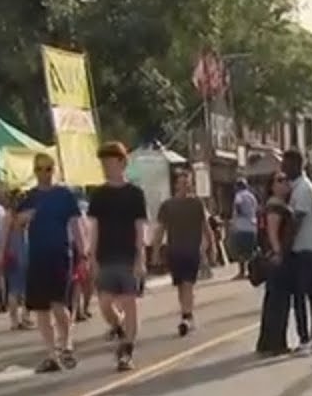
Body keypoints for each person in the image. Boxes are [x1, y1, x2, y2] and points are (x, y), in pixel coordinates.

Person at [11, 153, 88, 373]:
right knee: (41, 308)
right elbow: (16, 224)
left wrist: (83, 254)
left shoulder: (64, 195)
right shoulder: (30, 197)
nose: (44, 173)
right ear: (34, 171)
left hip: (60, 255)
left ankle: (67, 343)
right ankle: (51, 354)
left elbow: (75, 225)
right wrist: (25, 218)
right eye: (40, 169)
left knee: (58, 304)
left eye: (48, 169)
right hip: (36, 256)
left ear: (54, 170)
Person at [86, 142, 148, 371]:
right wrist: (92, 256)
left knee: (130, 302)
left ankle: (127, 351)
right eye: (103, 162)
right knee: (104, 304)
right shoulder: (99, 194)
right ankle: (119, 327)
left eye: (109, 161)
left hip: (128, 255)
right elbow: (94, 227)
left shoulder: (135, 194)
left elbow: (141, 226)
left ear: (122, 162)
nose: (105, 166)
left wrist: (140, 256)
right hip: (105, 255)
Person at [152, 168, 212, 337]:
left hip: (191, 250)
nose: (186, 186)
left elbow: (206, 227)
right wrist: (155, 252)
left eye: (188, 183)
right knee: (181, 285)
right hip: (174, 251)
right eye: (182, 183)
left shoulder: (197, 204)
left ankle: (186, 316)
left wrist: (210, 247)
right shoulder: (167, 205)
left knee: (188, 284)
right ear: (176, 185)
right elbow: (160, 230)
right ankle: (187, 314)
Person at [285, 149, 312, 354]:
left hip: (305, 248)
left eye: (286, 163)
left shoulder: (302, 189)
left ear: (296, 164)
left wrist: (285, 246)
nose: (283, 168)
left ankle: (306, 339)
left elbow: (297, 221)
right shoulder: (299, 187)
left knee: (303, 295)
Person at [256, 172, 295, 357]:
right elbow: (272, 231)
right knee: (279, 302)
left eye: (286, 179)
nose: (285, 183)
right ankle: (276, 342)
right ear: (271, 186)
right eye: (279, 180)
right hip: (278, 258)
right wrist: (278, 251)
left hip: (276, 257)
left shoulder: (279, 205)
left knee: (273, 300)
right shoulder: (275, 206)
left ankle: (267, 342)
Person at [0, 191, 31, 331]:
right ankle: (25, 317)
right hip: (27, 251)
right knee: (27, 288)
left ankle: (14, 321)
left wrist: (1, 254)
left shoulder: (8, 216)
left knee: (13, 288)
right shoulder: (27, 215)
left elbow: (4, 237)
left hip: (13, 253)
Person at [230, 179, 260, 280]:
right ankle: (252, 271)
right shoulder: (252, 196)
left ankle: (242, 272)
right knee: (251, 251)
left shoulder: (239, 195)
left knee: (241, 251)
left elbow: (238, 206)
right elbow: (256, 209)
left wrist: (238, 215)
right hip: (252, 226)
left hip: (241, 226)